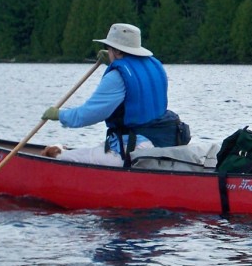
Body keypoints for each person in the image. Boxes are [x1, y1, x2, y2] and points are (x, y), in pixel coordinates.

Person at [41, 23, 189, 166]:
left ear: (117, 51)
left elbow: (89, 114)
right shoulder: (155, 66)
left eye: (109, 48)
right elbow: (136, 79)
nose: (108, 51)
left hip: (135, 148)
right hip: (161, 142)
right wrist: (112, 61)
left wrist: (59, 115)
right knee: (96, 150)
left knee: (63, 157)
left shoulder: (117, 77)